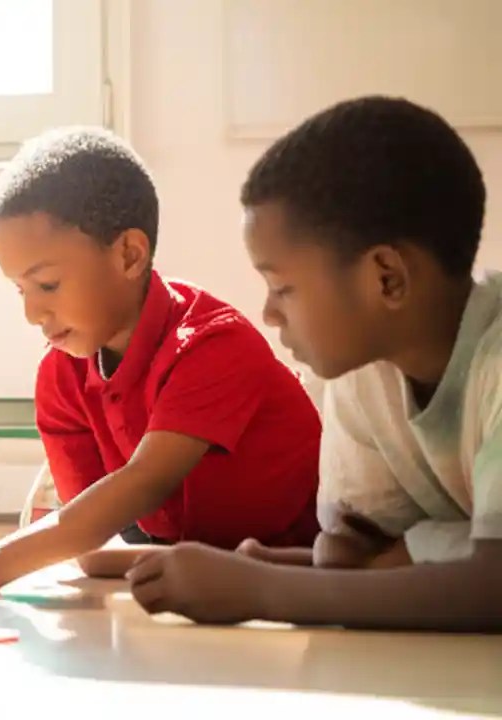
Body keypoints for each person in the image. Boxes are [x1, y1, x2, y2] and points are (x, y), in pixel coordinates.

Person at [127, 96, 502, 631]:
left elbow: (492, 586)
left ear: (387, 279)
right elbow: (356, 556)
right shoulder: (365, 368)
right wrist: (278, 567)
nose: (268, 313)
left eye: (283, 287)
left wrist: (261, 591)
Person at [0, 127, 320, 587]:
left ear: (129, 255)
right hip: (206, 579)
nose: (32, 313)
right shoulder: (61, 376)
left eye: (47, 285)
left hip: (313, 575)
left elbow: (145, 480)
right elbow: (89, 541)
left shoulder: (213, 345)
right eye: (20, 290)